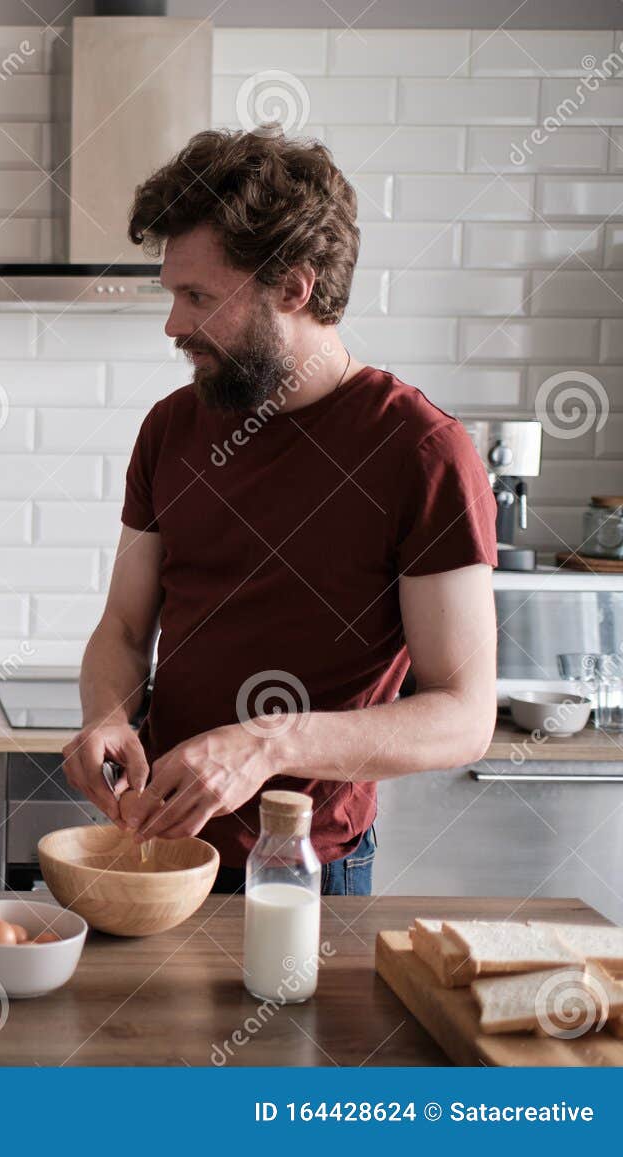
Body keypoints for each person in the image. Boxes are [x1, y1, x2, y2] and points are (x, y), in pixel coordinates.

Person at [62, 128, 499, 896]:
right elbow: (124, 629)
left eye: (198, 297)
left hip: (304, 867)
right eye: (172, 294)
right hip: (159, 849)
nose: (173, 324)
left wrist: (268, 744)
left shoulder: (422, 450)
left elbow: (464, 716)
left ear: (293, 288)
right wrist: (106, 714)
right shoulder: (171, 428)